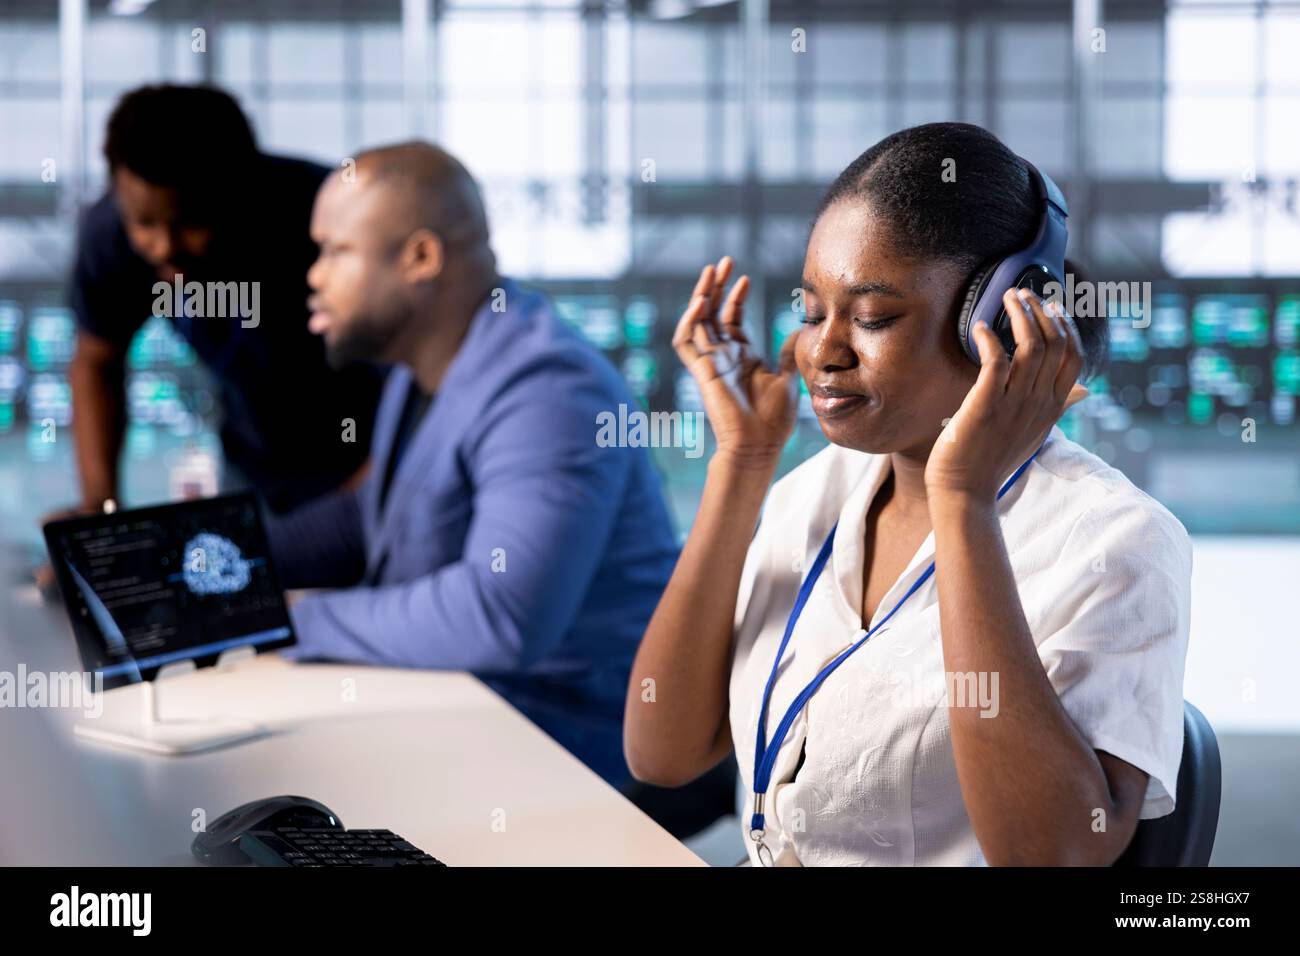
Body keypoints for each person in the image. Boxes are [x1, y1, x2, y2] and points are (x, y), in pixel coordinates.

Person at [624, 122, 1192, 866]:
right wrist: (742, 461)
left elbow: (1051, 854)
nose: (820, 353)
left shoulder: (1114, 541)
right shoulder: (813, 493)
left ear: (998, 321)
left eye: (871, 318)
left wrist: (963, 502)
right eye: (809, 311)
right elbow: (659, 753)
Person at [265, 141, 679, 788]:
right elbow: (378, 518)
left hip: (577, 736)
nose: (313, 275)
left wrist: (293, 617)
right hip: (467, 704)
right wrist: (225, 569)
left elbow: (500, 615)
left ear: (421, 258)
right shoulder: (423, 370)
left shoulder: (547, 389)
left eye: (336, 251)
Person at [64, 84, 383, 516]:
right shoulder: (111, 239)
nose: (162, 247)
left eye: (187, 222)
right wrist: (100, 507)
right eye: (143, 222)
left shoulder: (325, 219)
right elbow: (96, 363)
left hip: (366, 452)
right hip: (252, 462)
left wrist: (388, 478)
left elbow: (412, 365)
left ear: (240, 189)